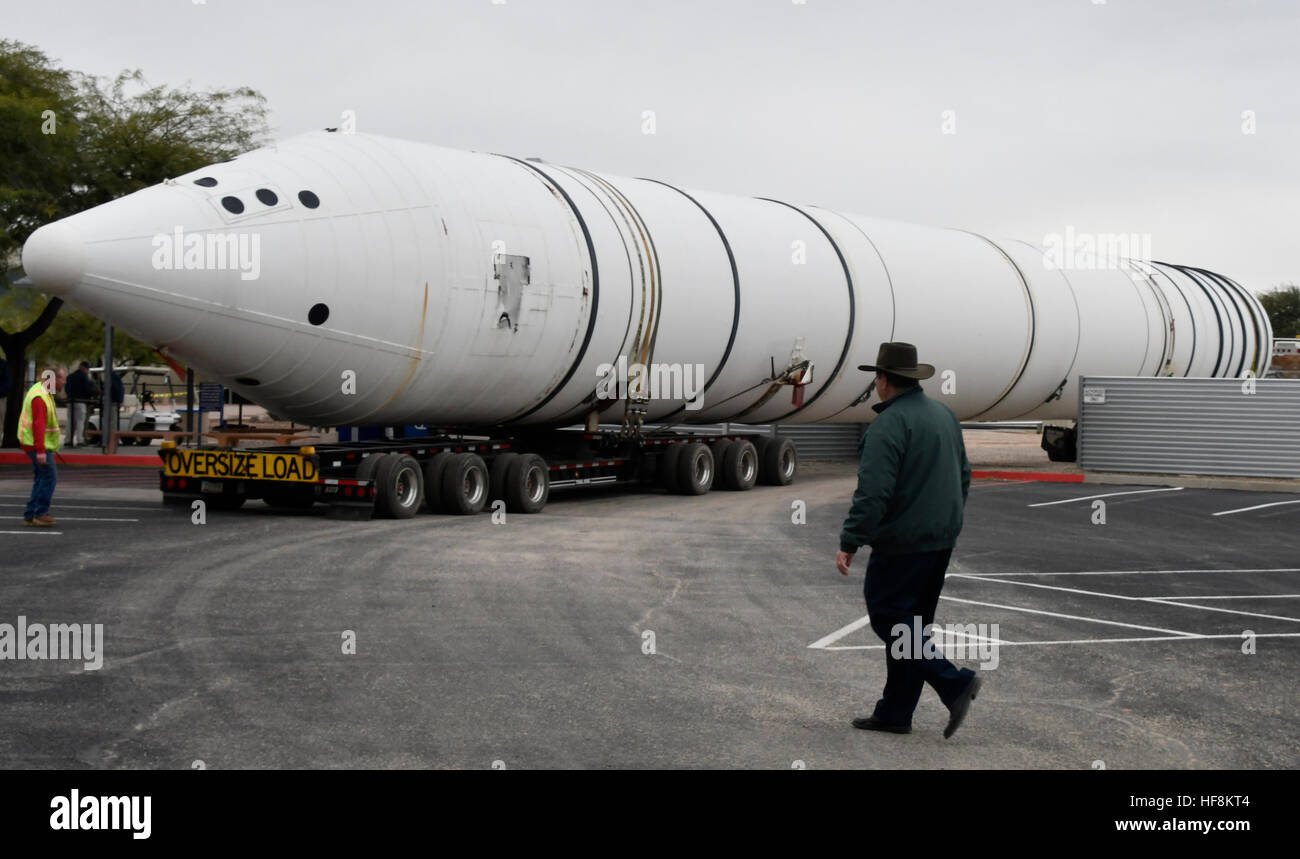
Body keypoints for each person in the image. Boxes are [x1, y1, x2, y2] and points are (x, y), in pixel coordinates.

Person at [836, 341, 979, 738]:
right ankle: (895, 712)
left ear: (883, 380)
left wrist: (851, 540)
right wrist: (945, 521)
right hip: (939, 542)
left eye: (876, 377)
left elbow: (873, 492)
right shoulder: (944, 416)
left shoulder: (889, 424)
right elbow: (963, 476)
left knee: (889, 619)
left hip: (902, 545)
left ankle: (954, 683)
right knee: (912, 626)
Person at [19, 367, 65, 527]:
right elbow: (39, 426)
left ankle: (30, 514)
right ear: (53, 379)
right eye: (62, 379)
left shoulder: (40, 391)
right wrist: (41, 451)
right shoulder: (40, 397)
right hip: (36, 444)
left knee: (41, 477)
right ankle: (40, 513)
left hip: (33, 443)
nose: (64, 383)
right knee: (49, 477)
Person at [65, 361, 97, 447]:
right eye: (87, 369)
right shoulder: (84, 377)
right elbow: (87, 389)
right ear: (84, 368)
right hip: (81, 401)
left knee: (70, 421)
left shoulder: (70, 377)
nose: (87, 371)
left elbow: (67, 389)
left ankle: (68, 440)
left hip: (70, 401)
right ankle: (80, 440)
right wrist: (92, 394)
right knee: (80, 421)